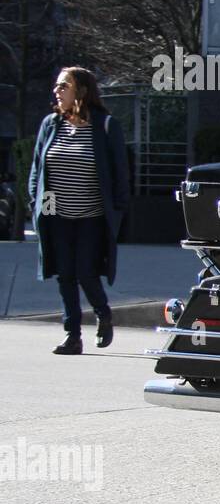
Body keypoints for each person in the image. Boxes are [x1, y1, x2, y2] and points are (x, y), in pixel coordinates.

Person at [27, 67, 129, 354]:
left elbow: (120, 175)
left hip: (92, 217)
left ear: (81, 91)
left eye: (63, 86)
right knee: (65, 275)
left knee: (86, 272)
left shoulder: (106, 125)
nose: (56, 92)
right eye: (57, 87)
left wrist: (118, 215)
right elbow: (38, 171)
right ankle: (72, 335)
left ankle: (103, 313)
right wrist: (40, 210)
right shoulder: (51, 124)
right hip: (57, 216)